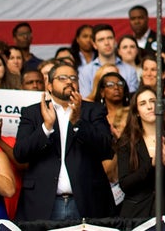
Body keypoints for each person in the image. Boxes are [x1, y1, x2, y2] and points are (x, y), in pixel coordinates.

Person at [13, 62, 115, 221]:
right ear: (49, 85)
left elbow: (106, 149)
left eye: (73, 78)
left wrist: (78, 123)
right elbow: (20, 153)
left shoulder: (93, 110)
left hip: (87, 201)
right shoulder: (32, 112)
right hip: (43, 202)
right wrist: (46, 128)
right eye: (62, 78)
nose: (69, 81)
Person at [116, 86, 165, 217]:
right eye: (143, 103)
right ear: (136, 111)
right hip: (137, 214)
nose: (149, 107)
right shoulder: (126, 143)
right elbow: (125, 185)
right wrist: (152, 163)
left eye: (153, 101)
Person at [79, 24, 140, 93]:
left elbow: (131, 100)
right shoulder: (86, 72)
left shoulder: (130, 71)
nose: (107, 43)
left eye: (110, 38)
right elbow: (86, 101)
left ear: (115, 41)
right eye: (101, 40)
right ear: (94, 45)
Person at [94, 70, 132, 137]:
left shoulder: (132, 113)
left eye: (120, 84)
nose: (116, 88)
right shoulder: (96, 115)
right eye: (110, 85)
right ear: (102, 92)